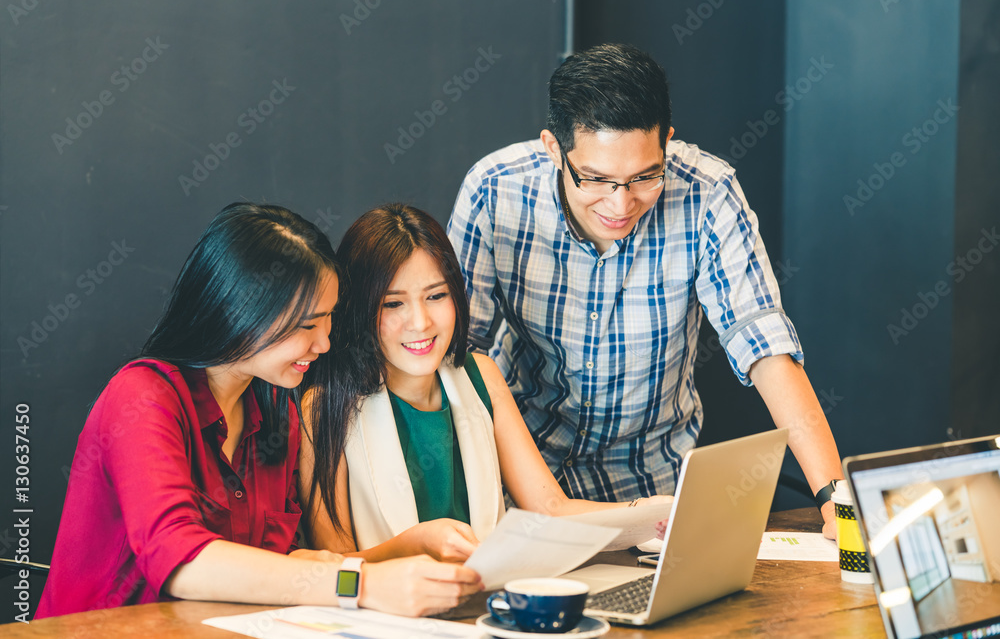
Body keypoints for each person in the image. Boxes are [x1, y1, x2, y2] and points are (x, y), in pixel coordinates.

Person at [446, 43, 843, 538]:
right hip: (522, 483)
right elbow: (457, 356)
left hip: (653, 493)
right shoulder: (495, 190)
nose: (621, 203)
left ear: (667, 143)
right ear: (553, 149)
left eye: (644, 177)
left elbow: (763, 346)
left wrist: (835, 499)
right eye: (596, 179)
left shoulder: (707, 193)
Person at [37, 203, 480, 619]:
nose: (324, 343)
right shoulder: (143, 396)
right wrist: (364, 584)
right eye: (307, 325)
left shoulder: (271, 414)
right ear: (239, 312)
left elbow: (285, 569)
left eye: (329, 319)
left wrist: (410, 546)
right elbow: (180, 561)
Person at [299, 203, 669, 560]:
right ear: (359, 309)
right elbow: (335, 563)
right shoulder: (326, 405)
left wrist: (648, 514)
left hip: (486, 600)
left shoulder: (481, 375)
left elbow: (551, 508)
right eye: (393, 304)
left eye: (436, 296)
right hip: (390, 615)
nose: (421, 322)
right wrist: (416, 544)